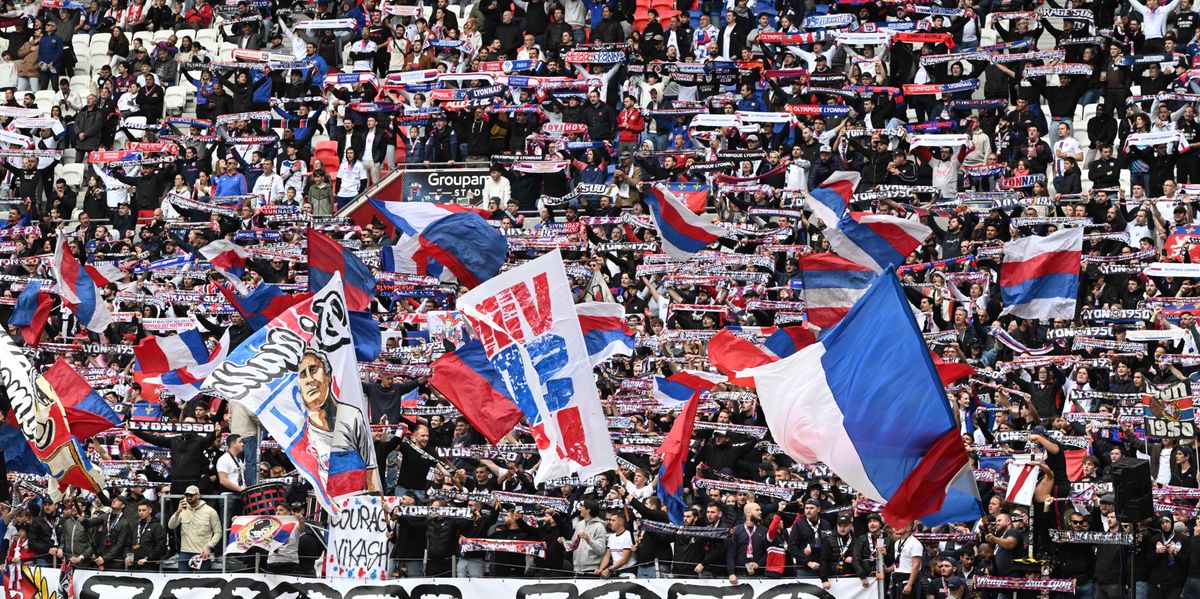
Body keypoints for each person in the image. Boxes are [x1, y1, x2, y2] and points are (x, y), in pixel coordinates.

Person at [168, 485, 222, 572]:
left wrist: (209, 547)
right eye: (187, 495)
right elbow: (171, 526)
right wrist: (178, 512)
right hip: (185, 552)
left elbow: (218, 532)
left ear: (198, 495)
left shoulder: (210, 511)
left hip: (202, 552)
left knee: (201, 583)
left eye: (191, 495)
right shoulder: (182, 510)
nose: (189, 497)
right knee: (182, 582)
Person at [126, 501, 167, 571]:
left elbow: (160, 546)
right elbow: (127, 544)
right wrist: (126, 556)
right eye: (139, 510)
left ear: (150, 510)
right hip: (133, 564)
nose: (141, 512)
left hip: (148, 565)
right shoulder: (135, 525)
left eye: (144, 510)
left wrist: (147, 558)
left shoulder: (156, 526)